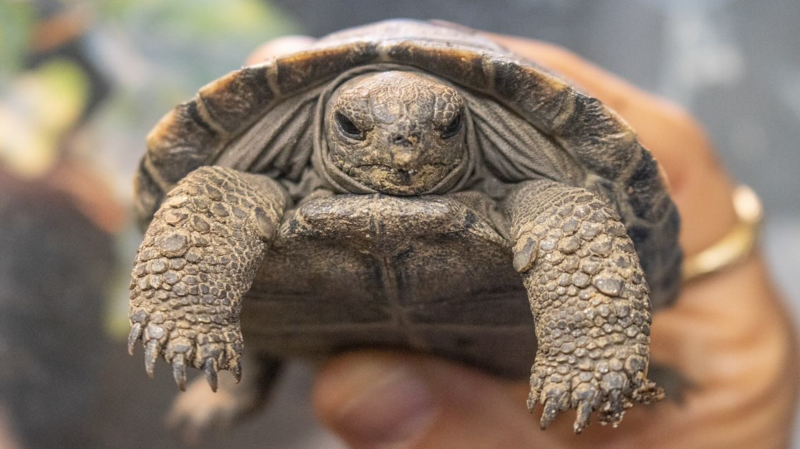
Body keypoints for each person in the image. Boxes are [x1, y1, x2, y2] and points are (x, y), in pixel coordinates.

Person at [246, 30, 800, 449]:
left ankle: (605, 357)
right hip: (305, 321)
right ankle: (251, 376)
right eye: (353, 129)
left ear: (466, 124)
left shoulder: (538, 192)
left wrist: (597, 353)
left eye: (443, 130)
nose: (403, 148)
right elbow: (207, 195)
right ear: (323, 123)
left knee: (563, 216)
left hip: (518, 328)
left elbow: (573, 210)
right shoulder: (254, 177)